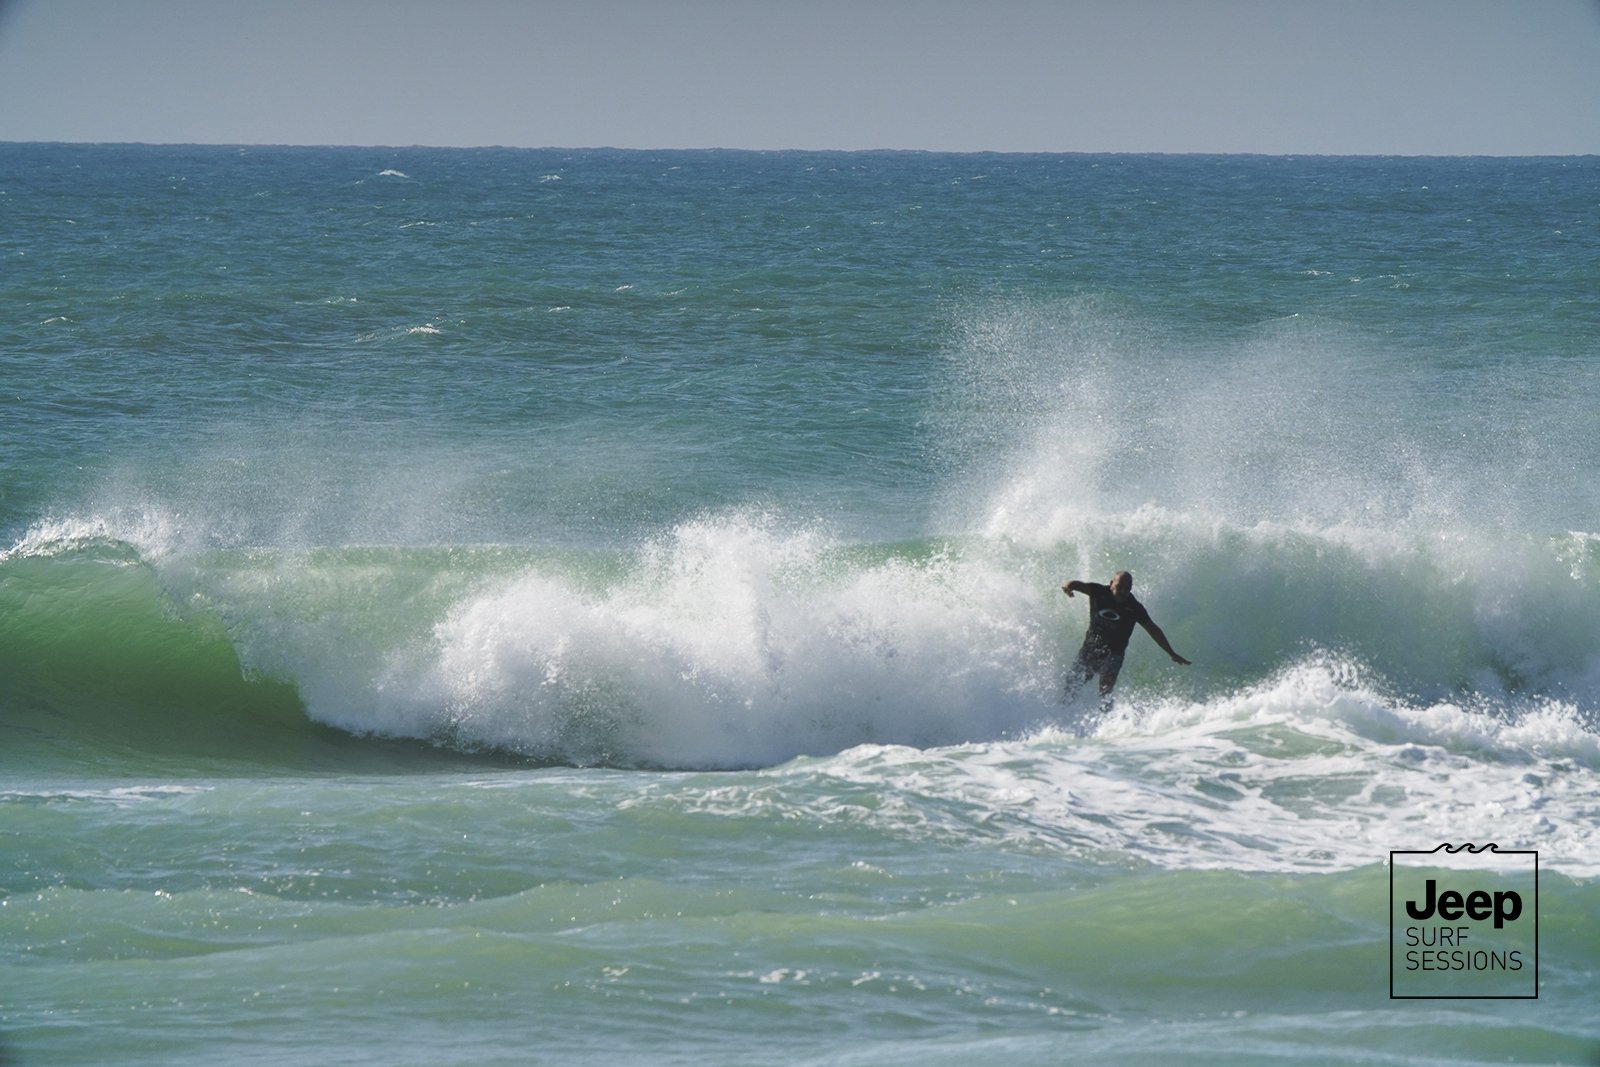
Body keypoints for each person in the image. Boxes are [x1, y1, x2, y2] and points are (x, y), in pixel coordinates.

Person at [1062, 570, 1189, 698]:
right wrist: (1068, 587)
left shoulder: (1134, 608)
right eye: (1119, 587)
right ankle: (1065, 710)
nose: (1123, 592)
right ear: (1111, 583)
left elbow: (1153, 630)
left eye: (1127, 588)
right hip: (1091, 648)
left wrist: (1171, 653)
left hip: (1114, 653)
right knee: (1071, 685)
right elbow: (1077, 584)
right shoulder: (1098, 592)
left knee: (1105, 688)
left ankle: (1107, 714)